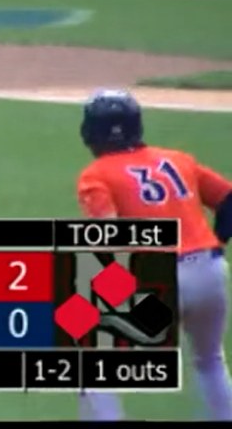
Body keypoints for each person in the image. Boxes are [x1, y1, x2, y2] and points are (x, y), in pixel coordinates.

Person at [71, 89, 232, 422]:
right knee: (210, 360)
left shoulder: (97, 174)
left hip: (156, 277)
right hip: (210, 270)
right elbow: (229, 199)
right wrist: (216, 242)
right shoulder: (178, 160)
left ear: (91, 132)